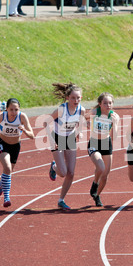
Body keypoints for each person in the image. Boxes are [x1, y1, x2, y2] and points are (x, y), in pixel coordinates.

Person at [44, 82, 86, 210]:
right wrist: (51, 140)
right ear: (67, 98)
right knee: (62, 172)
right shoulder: (61, 109)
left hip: (70, 138)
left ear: (81, 98)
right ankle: (54, 166)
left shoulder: (81, 110)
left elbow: (80, 123)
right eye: (73, 98)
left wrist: (80, 132)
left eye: (78, 98)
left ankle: (61, 199)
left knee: (71, 173)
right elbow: (46, 123)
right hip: (56, 137)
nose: (76, 100)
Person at [0, 98, 34, 207]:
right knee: (7, 168)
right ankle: (6, 198)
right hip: (2, 144)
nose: (13, 113)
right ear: (6, 109)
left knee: (9, 171)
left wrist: (24, 130)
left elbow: (32, 135)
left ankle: (1, 185)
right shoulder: (1, 116)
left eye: (16, 110)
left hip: (15, 146)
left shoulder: (22, 117)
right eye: (11, 110)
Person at [86, 92, 119, 207]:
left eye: (110, 103)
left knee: (105, 175)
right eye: (105, 103)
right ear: (100, 104)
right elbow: (81, 118)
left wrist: (114, 124)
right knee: (101, 167)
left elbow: (114, 137)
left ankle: (97, 195)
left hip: (106, 143)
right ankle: (95, 183)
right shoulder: (95, 113)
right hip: (94, 142)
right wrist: (86, 122)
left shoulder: (114, 116)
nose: (108, 105)